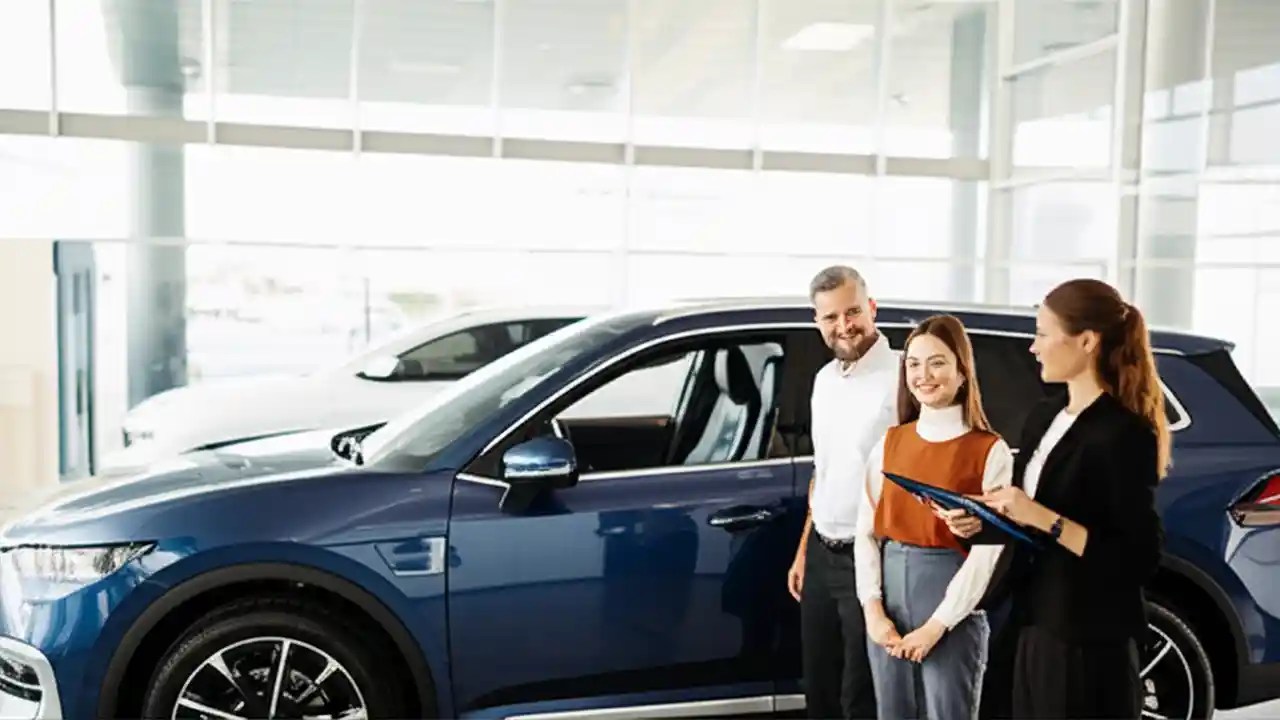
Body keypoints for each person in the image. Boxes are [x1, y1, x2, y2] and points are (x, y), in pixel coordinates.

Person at [947, 278, 1168, 719]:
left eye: (1042, 334)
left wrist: (1042, 517)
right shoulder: (1046, 415)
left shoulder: (1124, 434)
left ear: (1087, 341)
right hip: (1031, 618)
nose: (1033, 347)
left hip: (1085, 636)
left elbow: (1135, 557)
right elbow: (1027, 517)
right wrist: (983, 521)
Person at [852, 314, 1014, 720]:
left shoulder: (988, 451)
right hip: (887, 604)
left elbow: (986, 555)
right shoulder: (889, 444)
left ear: (962, 371)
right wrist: (873, 612)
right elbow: (865, 534)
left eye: (938, 362)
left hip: (953, 604)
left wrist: (936, 626)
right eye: (914, 363)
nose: (923, 375)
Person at [788, 265, 898, 719]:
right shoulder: (825, 380)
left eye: (853, 312)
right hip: (822, 553)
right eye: (830, 318)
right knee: (821, 692)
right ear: (818, 322)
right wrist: (803, 551)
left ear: (871, 308)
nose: (844, 326)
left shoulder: (905, 374)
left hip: (873, 555)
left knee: (861, 697)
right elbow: (824, 470)